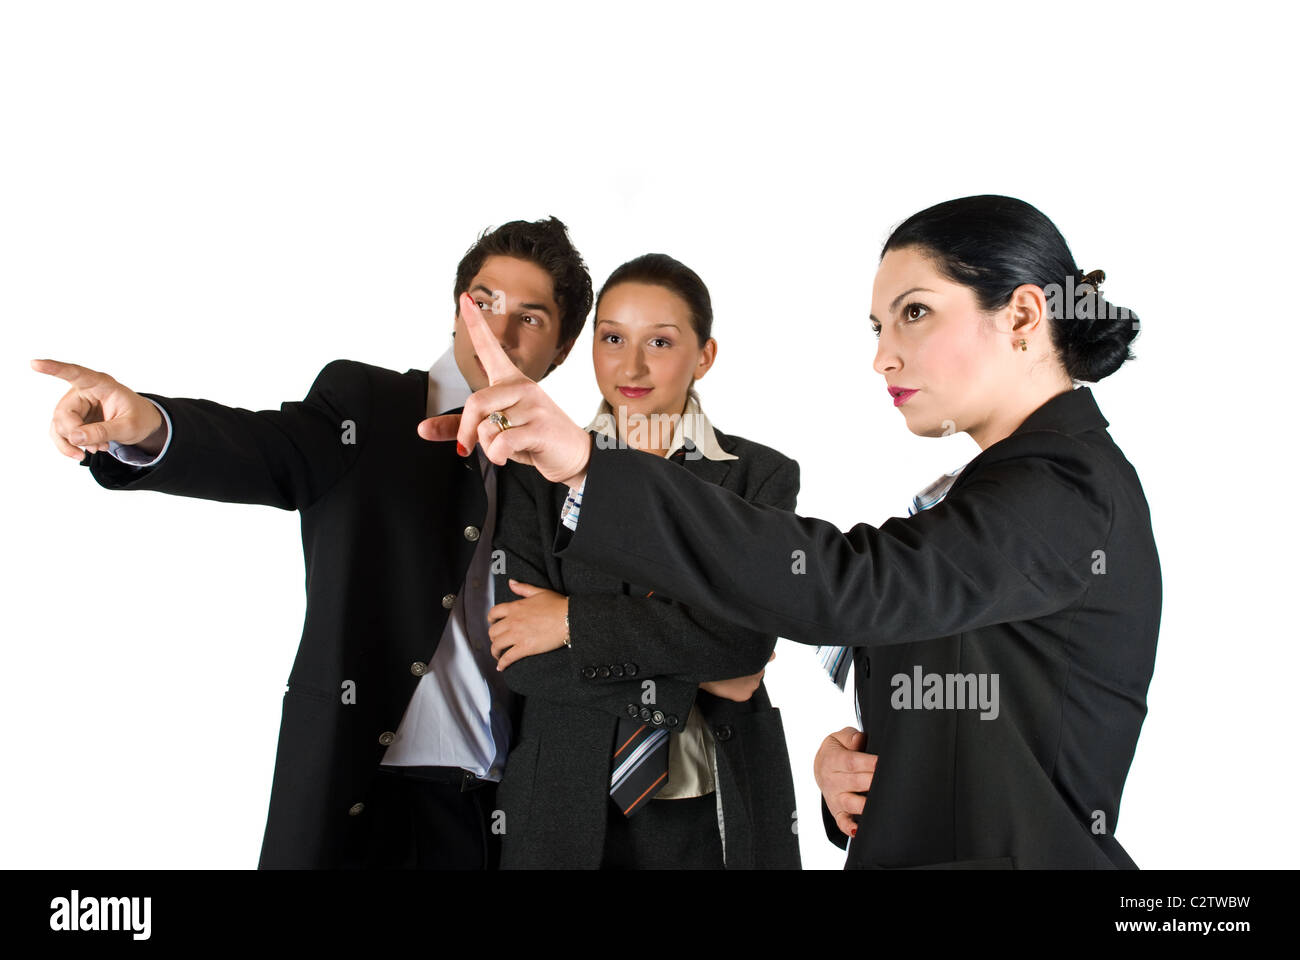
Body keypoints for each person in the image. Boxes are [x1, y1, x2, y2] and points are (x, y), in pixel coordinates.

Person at [426, 195, 1161, 869]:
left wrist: (589, 470)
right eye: (879, 326)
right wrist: (848, 777)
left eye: (914, 312)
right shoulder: (1002, 491)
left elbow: (841, 588)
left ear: (1026, 317)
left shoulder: (1065, 486)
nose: (883, 356)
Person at [34, 216, 593, 869]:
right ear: (456, 311)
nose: (498, 331)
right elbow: (263, 451)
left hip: (495, 818)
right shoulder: (369, 406)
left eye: (530, 318)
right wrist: (149, 426)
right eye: (484, 302)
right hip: (360, 800)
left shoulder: (566, 472)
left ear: (563, 345)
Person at [484, 254, 802, 869]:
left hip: (717, 798)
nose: (631, 366)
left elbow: (744, 646)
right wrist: (701, 663)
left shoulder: (759, 478)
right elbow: (519, 655)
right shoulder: (532, 472)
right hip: (564, 800)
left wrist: (572, 621)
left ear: (704, 355)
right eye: (612, 339)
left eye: (660, 341)